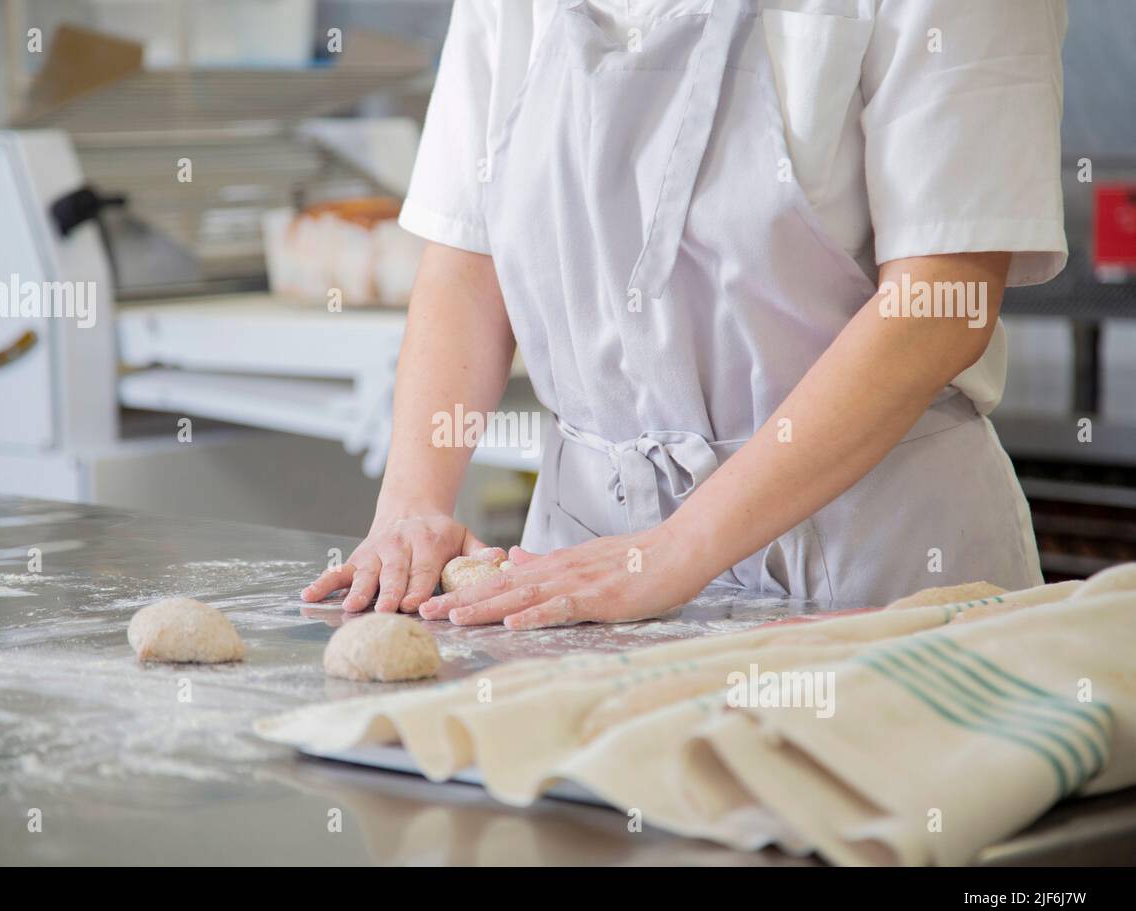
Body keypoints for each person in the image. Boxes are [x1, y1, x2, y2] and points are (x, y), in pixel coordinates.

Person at [303, 0, 1069, 628]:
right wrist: (412, 508)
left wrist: (676, 551)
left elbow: (940, 302)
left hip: (875, 578)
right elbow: (469, 259)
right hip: (579, 571)